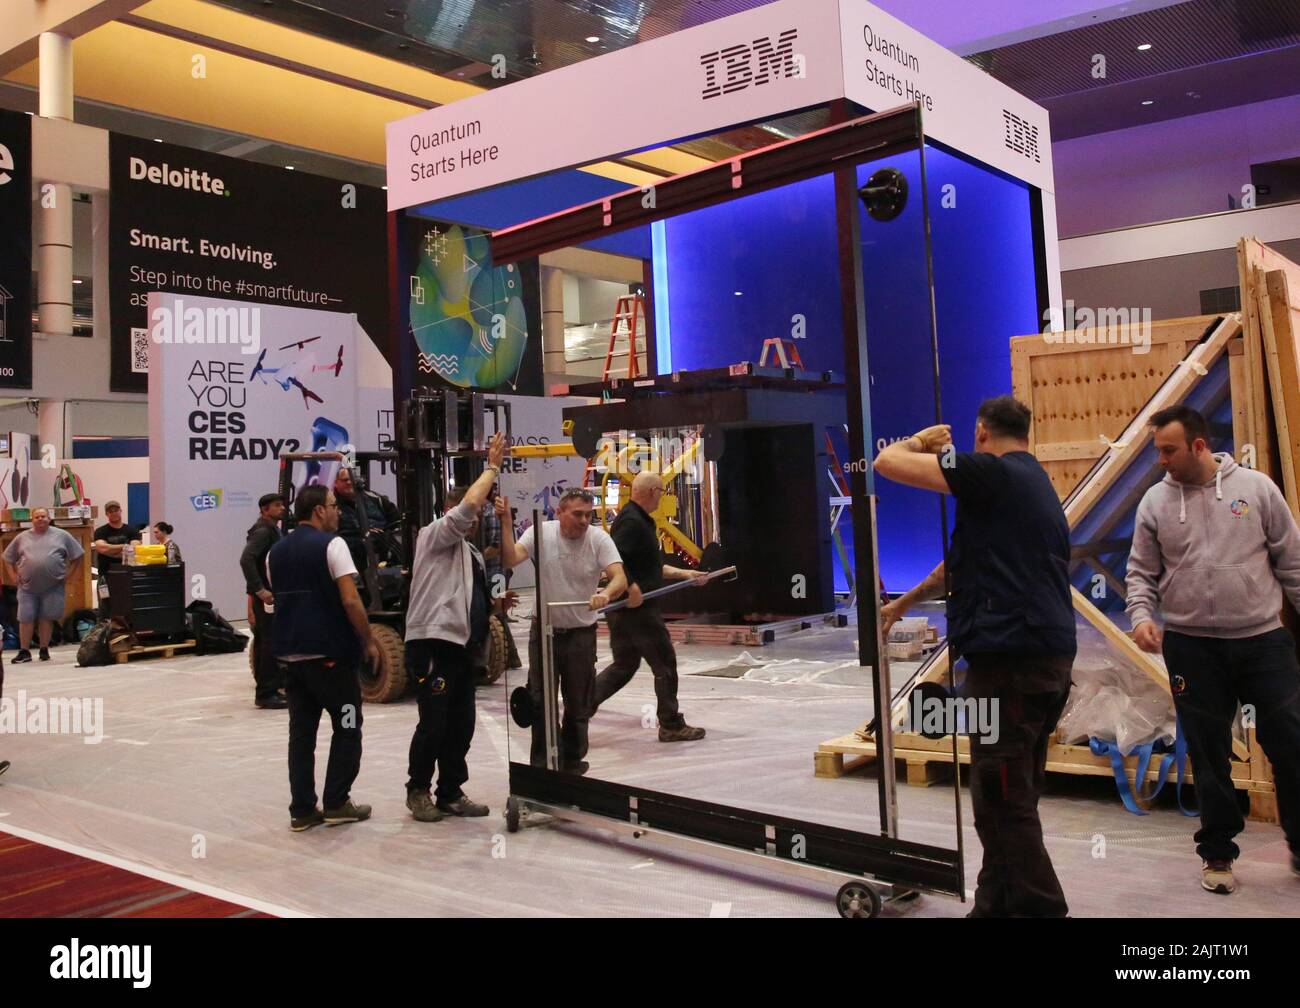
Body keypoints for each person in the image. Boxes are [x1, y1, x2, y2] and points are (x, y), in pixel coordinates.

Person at [874, 395, 1076, 918]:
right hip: (1039, 662)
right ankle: (993, 906)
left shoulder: (995, 474)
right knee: (1010, 795)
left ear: (982, 433)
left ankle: (1042, 909)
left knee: (1001, 799)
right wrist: (901, 604)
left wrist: (920, 441)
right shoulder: (1029, 485)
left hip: (1011, 664)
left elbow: (887, 462)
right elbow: (955, 571)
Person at [1126, 404, 1300, 895]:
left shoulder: (1257, 489)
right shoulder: (1154, 504)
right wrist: (1142, 617)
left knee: (1290, 742)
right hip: (1192, 647)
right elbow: (1140, 573)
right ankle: (1218, 853)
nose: (1161, 459)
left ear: (1199, 446)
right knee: (1209, 754)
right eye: (1157, 449)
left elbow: (1292, 561)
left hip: (1262, 640)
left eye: (1169, 450)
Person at [402, 432, 507, 822]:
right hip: (433, 645)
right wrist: (492, 467)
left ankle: (450, 791)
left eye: (478, 516)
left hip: (463, 649)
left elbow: (469, 597)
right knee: (434, 723)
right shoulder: (434, 536)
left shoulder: (472, 554)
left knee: (461, 724)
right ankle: (417, 790)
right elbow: (467, 506)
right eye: (470, 513)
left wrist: (493, 607)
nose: (475, 519)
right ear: (449, 511)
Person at [267, 484, 380, 832]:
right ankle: (336, 802)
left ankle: (302, 809)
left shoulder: (275, 553)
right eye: (333, 506)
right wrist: (368, 639)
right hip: (331, 659)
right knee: (347, 725)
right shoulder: (334, 545)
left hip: (292, 661)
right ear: (318, 511)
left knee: (301, 734)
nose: (338, 511)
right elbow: (350, 600)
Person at [499, 486, 629, 773]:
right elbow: (510, 559)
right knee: (540, 702)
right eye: (577, 515)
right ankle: (543, 768)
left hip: (580, 634)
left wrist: (606, 594)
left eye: (588, 515)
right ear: (559, 513)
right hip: (543, 631)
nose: (584, 521)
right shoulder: (540, 533)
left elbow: (619, 576)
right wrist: (506, 523)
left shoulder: (598, 539)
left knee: (578, 704)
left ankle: (571, 765)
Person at [592, 471, 706, 742]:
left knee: (624, 666)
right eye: (662, 492)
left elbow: (650, 568)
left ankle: (580, 708)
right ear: (653, 491)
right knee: (665, 664)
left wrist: (686, 574)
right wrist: (630, 587)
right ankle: (670, 724)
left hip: (626, 611)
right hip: (637, 611)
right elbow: (613, 562)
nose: (663, 497)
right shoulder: (632, 522)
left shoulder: (639, 520)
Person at [3, 507, 84, 662]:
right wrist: (13, 576)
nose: (40, 519)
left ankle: (44, 649)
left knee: (46, 617)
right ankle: (24, 651)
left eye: (43, 516)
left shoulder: (62, 536)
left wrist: (69, 574)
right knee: (25, 618)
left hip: (53, 587)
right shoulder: (22, 537)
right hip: (27, 587)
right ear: (32, 520)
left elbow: (78, 555)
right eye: (37, 517)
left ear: (49, 518)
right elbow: (7, 558)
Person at [240, 493, 286, 710]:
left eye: (282, 504)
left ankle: (268, 688)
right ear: (264, 509)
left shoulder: (271, 529)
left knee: (265, 641)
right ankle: (267, 693)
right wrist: (260, 590)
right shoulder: (263, 531)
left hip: (269, 594)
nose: (282, 508)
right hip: (267, 596)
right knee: (269, 642)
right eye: (277, 505)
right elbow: (246, 559)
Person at [481, 484, 521, 670]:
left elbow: (496, 546)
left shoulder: (489, 514)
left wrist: (475, 558)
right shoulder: (482, 514)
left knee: (498, 614)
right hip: (492, 571)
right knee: (496, 614)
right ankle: (509, 656)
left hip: (496, 573)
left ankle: (510, 656)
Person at [93, 501, 140, 616]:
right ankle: (106, 631)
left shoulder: (131, 530)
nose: (114, 513)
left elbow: (135, 548)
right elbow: (101, 548)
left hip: (127, 574)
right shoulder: (100, 531)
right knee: (105, 606)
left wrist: (111, 550)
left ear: (121, 511)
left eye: (116, 510)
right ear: (106, 514)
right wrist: (125, 547)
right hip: (106, 575)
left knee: (127, 604)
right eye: (110, 511)